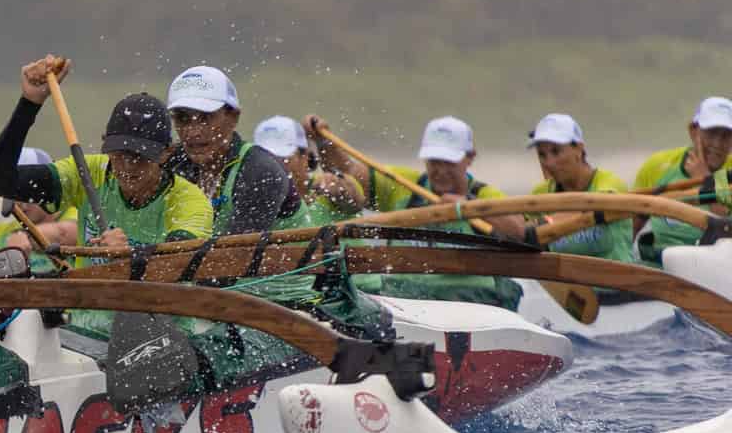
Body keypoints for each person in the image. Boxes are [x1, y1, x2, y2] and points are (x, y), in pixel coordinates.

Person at [0, 56, 214, 258]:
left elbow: (177, 264)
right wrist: (30, 103)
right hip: (90, 308)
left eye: (140, 157)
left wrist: (131, 251)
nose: (128, 166)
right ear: (105, 144)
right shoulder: (86, 172)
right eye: (120, 154)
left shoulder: (189, 201)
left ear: (166, 153)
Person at [309, 114, 527, 307]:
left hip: (473, 303)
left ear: (469, 157)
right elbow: (346, 172)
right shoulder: (402, 186)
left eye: (448, 162)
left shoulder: (486, 197)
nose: (440, 170)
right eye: (434, 161)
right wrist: (322, 139)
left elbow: (520, 232)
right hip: (406, 304)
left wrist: (468, 207)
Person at [162, 66, 301, 234]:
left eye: (205, 118)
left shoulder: (261, 170)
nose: (193, 132)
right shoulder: (174, 163)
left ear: (233, 117)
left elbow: (235, 254)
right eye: (182, 119)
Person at [524, 114, 638, 263]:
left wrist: (542, 224)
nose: (549, 162)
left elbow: (595, 206)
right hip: (563, 285)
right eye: (542, 155)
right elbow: (517, 231)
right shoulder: (540, 194)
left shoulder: (609, 184)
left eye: (556, 152)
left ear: (579, 148)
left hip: (616, 282)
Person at [632, 96, 732, 265]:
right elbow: (633, 224)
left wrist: (705, 179)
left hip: (705, 272)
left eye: (726, 136)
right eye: (711, 133)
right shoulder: (658, 166)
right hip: (656, 269)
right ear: (693, 131)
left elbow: (724, 227)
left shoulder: (727, 173)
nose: (718, 144)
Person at [251, 116, 363, 227]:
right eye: (267, 158)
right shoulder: (254, 197)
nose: (273, 165)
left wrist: (341, 191)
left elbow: (356, 200)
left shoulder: (328, 185)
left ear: (305, 157)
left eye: (282, 158)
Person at [0, 146, 81, 260]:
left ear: (48, 187)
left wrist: (26, 236)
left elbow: (65, 233)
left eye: (28, 192)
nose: (22, 203)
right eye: (15, 194)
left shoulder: (76, 215)